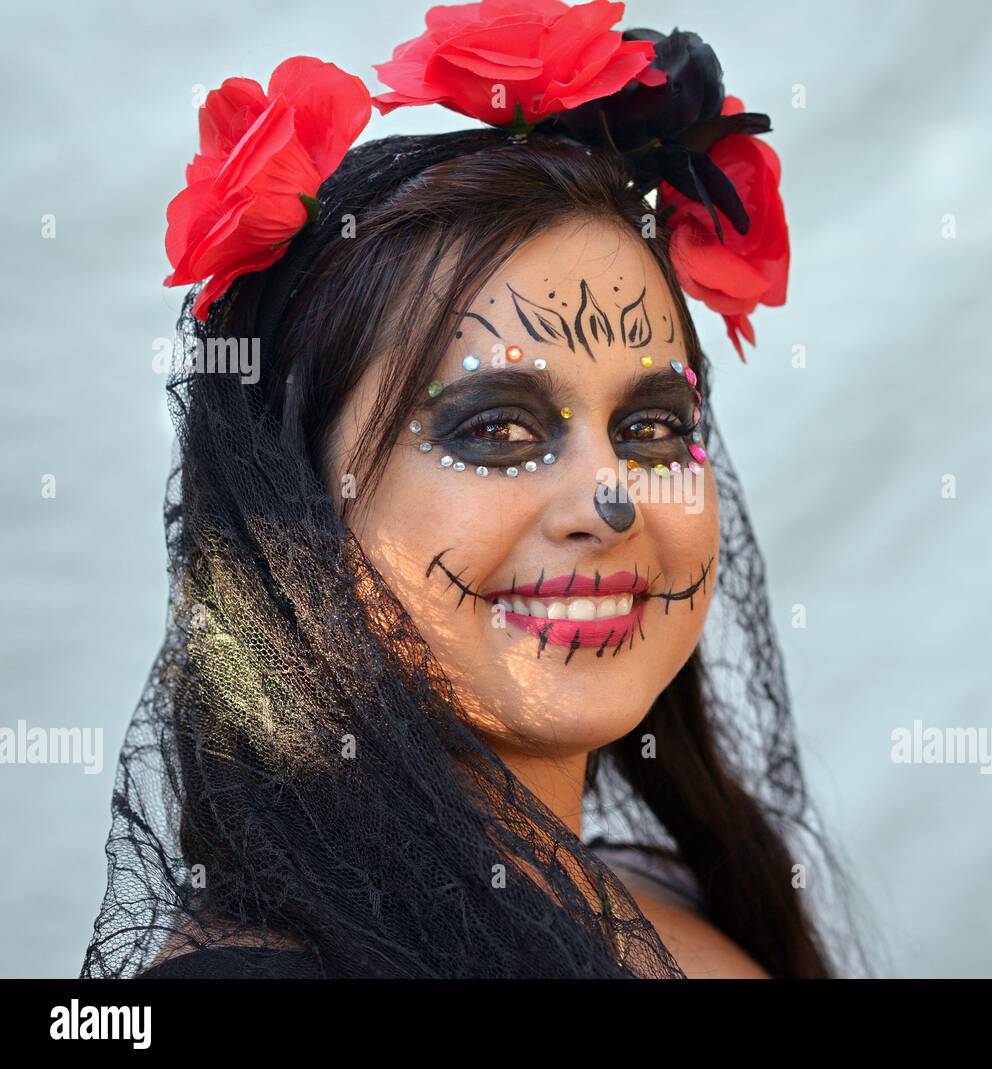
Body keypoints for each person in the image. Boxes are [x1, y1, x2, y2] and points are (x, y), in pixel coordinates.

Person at [81, 2, 873, 980]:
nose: (609, 500)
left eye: (653, 427)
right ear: (298, 505)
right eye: (496, 429)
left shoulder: (688, 903)